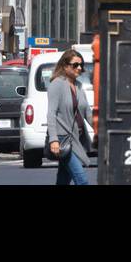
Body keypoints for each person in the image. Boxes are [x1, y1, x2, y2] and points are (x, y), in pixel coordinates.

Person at [46, 49, 92, 186]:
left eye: (81, 65)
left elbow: (87, 113)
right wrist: (53, 140)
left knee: (63, 180)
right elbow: (51, 113)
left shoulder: (78, 86)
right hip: (62, 141)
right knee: (82, 180)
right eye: (75, 65)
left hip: (75, 139)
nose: (79, 68)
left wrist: (101, 130)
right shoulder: (57, 84)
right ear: (65, 66)